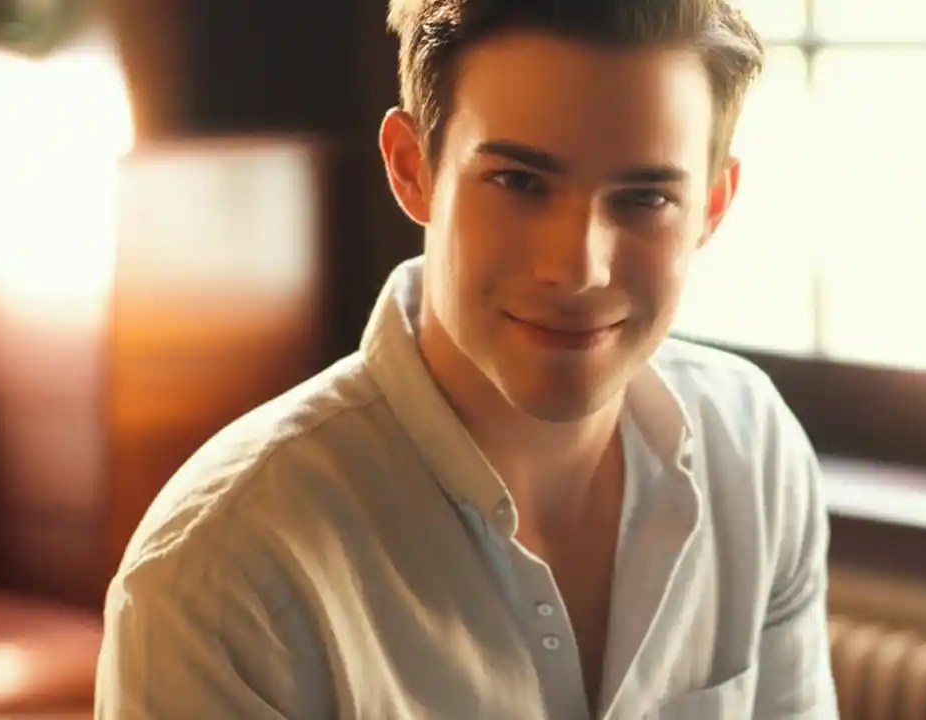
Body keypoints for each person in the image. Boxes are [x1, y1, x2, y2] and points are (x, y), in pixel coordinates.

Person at [95, 1, 837, 717]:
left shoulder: (755, 455)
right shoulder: (222, 575)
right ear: (412, 169)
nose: (577, 268)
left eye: (643, 198)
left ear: (711, 206)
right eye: (519, 183)